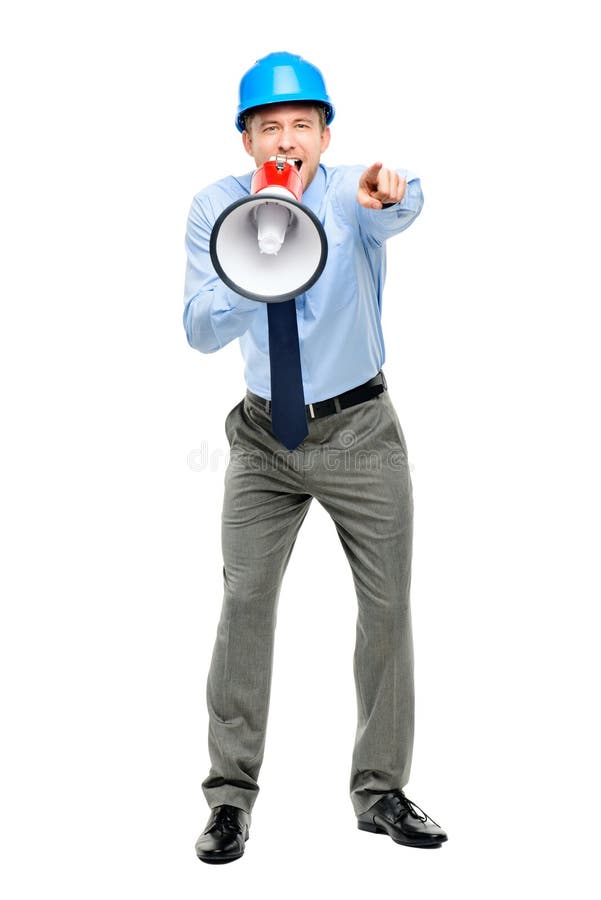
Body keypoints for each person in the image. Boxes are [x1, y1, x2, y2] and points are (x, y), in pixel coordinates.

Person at [183, 51, 448, 864]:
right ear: (247, 139)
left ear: (324, 134)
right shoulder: (215, 208)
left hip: (361, 433)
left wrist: (391, 192)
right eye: (270, 126)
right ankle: (229, 799)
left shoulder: (348, 191)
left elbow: (399, 198)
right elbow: (198, 328)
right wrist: (250, 269)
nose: (286, 139)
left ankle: (379, 792)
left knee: (386, 611)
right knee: (246, 606)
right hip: (264, 440)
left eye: (302, 125)